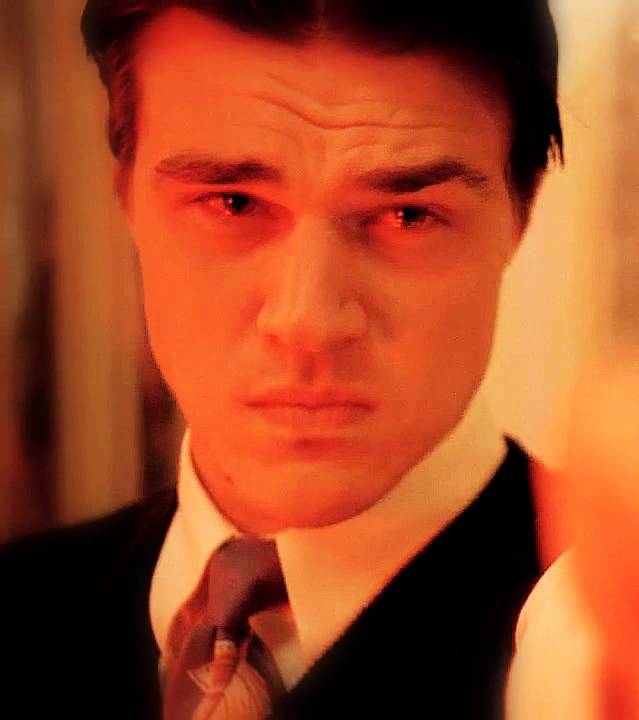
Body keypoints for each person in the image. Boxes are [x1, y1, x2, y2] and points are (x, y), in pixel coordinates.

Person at [1, 1, 563, 717]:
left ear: (522, 212)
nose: (307, 322)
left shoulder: (624, 653)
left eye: (407, 216)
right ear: (127, 196)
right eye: (233, 203)